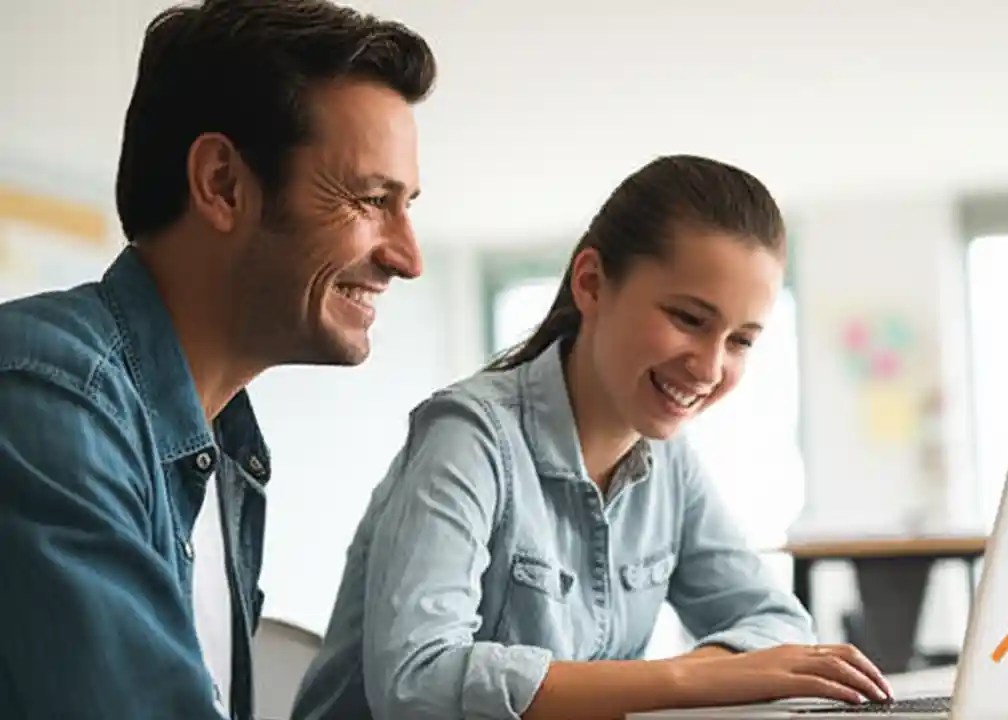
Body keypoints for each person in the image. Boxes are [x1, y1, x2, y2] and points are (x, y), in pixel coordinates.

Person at [291, 155, 893, 720]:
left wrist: (704, 673)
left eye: (740, 341)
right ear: (592, 283)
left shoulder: (668, 463)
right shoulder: (469, 436)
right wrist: (692, 680)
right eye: (688, 318)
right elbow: (416, 680)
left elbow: (778, 623)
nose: (710, 368)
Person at [0, 1, 435, 718]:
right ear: (223, 185)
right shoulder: (50, 401)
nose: (406, 257)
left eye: (406, 204)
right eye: (369, 199)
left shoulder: (227, 453)